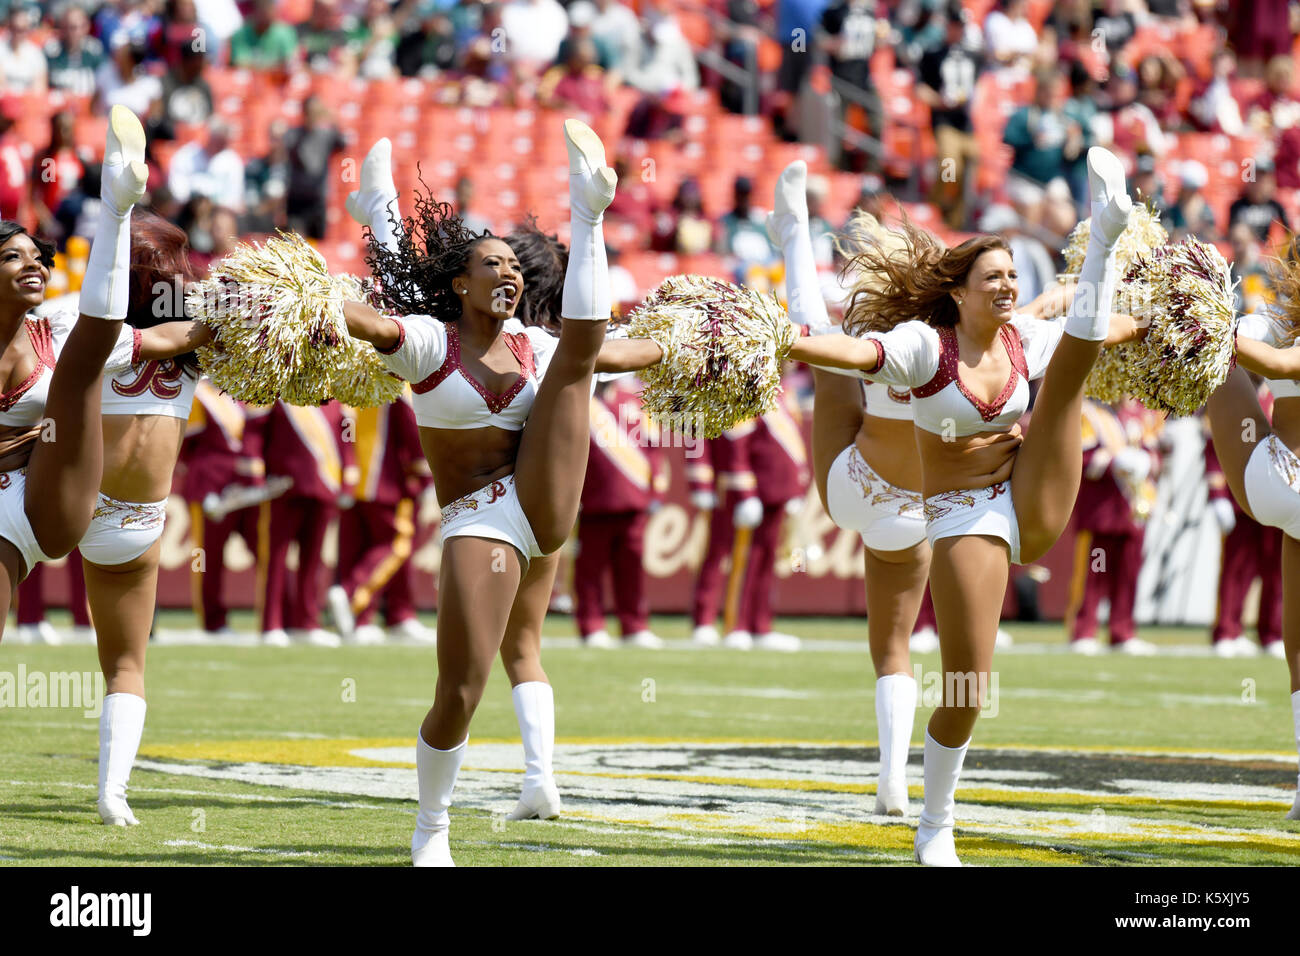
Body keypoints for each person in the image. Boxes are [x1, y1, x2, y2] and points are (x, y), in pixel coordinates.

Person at [785, 147, 1137, 863]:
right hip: (961, 511)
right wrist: (790, 341)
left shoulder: (1023, 336)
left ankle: (1106, 229)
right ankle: (936, 825)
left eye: (1013, 275)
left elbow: (1096, 335)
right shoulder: (922, 345)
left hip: (1025, 497)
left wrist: (1161, 325)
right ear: (961, 292)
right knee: (969, 686)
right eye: (994, 277)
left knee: (1068, 371)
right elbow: (852, 359)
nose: (1008, 285)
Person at [336, 122, 661, 864]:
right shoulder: (427, 340)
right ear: (461, 283)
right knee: (461, 689)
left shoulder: (539, 346)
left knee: (574, 361)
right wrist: (306, 302)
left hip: (540, 497)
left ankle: (589, 210)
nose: (509, 273)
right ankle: (432, 827)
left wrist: (689, 342)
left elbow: (610, 349)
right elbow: (369, 321)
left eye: (516, 264)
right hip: (477, 516)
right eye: (492, 264)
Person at [770, 161, 1034, 813]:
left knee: (821, 348)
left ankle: (793, 235)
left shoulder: (905, 345)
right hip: (929, 512)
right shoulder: (956, 352)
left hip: (857, 489)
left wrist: (783, 344)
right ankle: (894, 779)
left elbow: (823, 343)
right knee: (904, 647)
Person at [0, 107, 205, 644]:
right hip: (99, 514)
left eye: (37, 257)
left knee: (84, 357)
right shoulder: (73, 321)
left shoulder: (60, 325)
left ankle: (115, 206)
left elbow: (153, 333)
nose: (35, 266)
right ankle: (116, 205)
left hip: (38, 506)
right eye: (13, 257)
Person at [65, 211, 208, 826]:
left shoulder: (80, 322)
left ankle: (114, 792)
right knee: (126, 664)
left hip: (52, 499)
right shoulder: (207, 335)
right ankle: (112, 793)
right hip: (131, 519)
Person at [1205, 305, 1300, 820]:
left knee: (1218, 366)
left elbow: (1275, 362)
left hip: (1281, 483)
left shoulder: (1285, 329)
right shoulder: (1284, 321)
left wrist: (1203, 321)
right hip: (1290, 490)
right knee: (1298, 644)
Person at [244, 399, 357, 648]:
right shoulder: (277, 392)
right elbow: (254, 431)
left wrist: (348, 481)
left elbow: (347, 442)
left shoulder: (337, 400)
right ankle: (270, 624)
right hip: (283, 486)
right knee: (275, 559)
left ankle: (306, 623)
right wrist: (256, 476)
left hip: (325, 487)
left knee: (313, 560)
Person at [328, 391, 436, 646]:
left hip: (351, 480)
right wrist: (426, 476)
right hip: (386, 479)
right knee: (397, 545)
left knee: (358, 549)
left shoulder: (348, 377)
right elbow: (411, 426)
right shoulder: (395, 379)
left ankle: (395, 615)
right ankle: (352, 596)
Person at [1064, 398, 1161, 656]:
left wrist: (1146, 461)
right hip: (1101, 509)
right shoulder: (1090, 414)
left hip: (1133, 507)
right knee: (1093, 575)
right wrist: (1112, 462)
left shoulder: (1142, 415)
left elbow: (1154, 454)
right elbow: (1079, 458)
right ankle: (1083, 630)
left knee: (1128, 574)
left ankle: (1123, 631)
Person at [574, 376, 665, 648]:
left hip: (634, 501)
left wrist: (656, 491)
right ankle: (591, 625)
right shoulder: (580, 401)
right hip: (593, 502)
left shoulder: (637, 400)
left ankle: (634, 625)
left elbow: (654, 450)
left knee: (632, 567)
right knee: (589, 570)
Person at [182, 379, 264, 639]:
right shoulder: (199, 395)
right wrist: (206, 488)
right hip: (213, 490)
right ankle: (213, 621)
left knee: (264, 550)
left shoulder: (246, 392)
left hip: (247, 489)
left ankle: (281, 615)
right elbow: (186, 446)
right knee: (208, 559)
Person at [1204, 396, 1284, 659]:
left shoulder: (1284, 395)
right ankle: (1227, 630)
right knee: (1237, 567)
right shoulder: (1242, 395)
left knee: (1278, 569)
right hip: (1243, 494)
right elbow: (1217, 441)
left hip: (1282, 495)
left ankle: (1273, 633)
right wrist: (1217, 495)